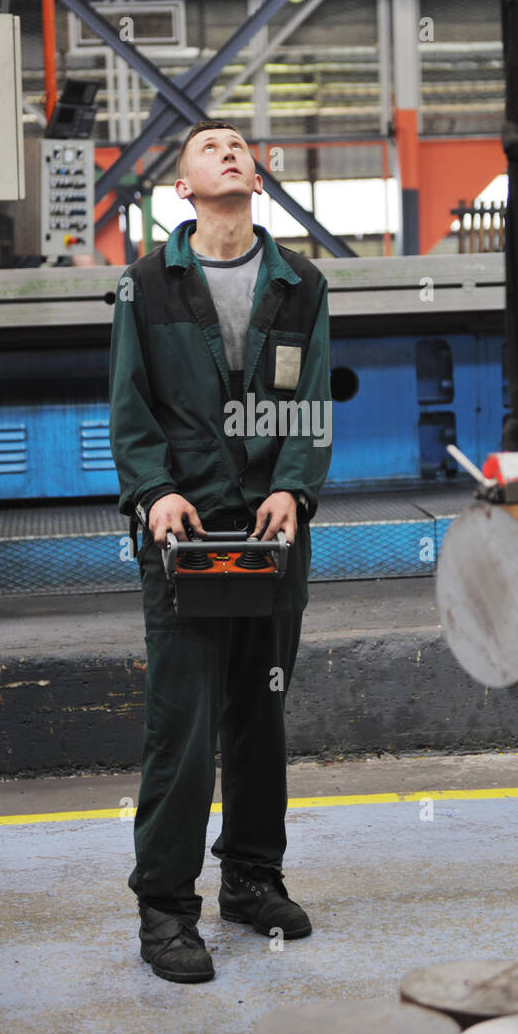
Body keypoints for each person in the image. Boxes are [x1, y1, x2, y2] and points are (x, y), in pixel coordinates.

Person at [109, 121, 332, 983]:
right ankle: (166, 908)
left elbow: (310, 404)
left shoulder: (302, 283)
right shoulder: (145, 286)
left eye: (240, 145)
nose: (229, 152)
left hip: (273, 533)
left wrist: (293, 488)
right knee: (183, 726)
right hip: (184, 535)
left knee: (260, 715)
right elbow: (130, 408)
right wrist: (156, 492)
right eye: (209, 147)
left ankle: (250, 877)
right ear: (183, 189)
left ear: (259, 177)